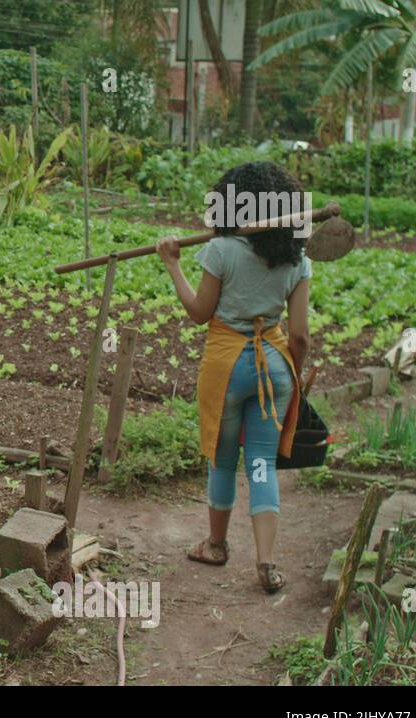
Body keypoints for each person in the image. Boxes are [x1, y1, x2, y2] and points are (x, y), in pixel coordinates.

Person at [155, 161, 312, 594]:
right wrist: (292, 377)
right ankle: (266, 560)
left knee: (223, 458)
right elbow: (299, 335)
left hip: (226, 365)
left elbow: (199, 313)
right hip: (274, 365)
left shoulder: (221, 250)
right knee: (262, 462)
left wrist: (172, 264)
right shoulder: (297, 260)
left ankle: (217, 545)